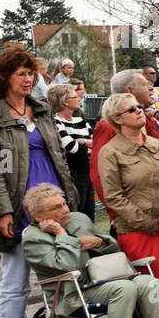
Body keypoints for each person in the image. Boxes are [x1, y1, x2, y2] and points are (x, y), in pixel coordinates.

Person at [0, 47, 77, 318]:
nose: (28, 79)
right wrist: (5, 210)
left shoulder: (43, 110)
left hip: (53, 200)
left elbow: (59, 156)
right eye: (21, 73)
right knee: (16, 279)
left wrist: (68, 198)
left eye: (31, 73)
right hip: (18, 206)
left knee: (62, 275)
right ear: (5, 77)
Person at [21, 183, 159, 318]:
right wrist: (61, 234)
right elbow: (67, 266)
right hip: (72, 292)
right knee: (124, 288)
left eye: (65, 204)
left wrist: (99, 242)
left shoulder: (79, 219)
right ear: (38, 216)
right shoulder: (34, 239)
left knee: (149, 282)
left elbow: (114, 248)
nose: (65, 209)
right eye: (57, 207)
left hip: (104, 279)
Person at [98, 92, 159, 304]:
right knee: (147, 297)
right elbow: (114, 197)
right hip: (137, 233)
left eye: (139, 106)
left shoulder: (157, 145)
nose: (140, 110)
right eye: (132, 109)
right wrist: (147, 222)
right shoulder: (110, 152)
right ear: (117, 119)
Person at [90, 69, 159, 218]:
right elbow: (100, 175)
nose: (151, 88)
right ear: (130, 90)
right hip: (130, 220)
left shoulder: (148, 123)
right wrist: (118, 215)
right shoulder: (109, 126)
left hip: (158, 214)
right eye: (145, 84)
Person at [49, 83, 93, 221]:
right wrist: (85, 143)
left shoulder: (81, 120)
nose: (79, 98)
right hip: (74, 175)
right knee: (77, 214)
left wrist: (80, 141)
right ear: (64, 101)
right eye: (75, 96)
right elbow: (70, 147)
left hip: (89, 173)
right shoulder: (56, 122)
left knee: (90, 214)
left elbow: (96, 142)